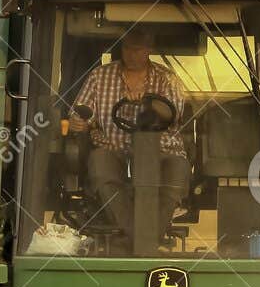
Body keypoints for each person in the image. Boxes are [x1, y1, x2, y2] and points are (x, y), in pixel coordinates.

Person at [67, 27, 188, 248]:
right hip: (114, 149)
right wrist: (79, 122)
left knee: (178, 170)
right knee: (99, 163)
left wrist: (149, 102)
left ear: (149, 49)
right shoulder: (99, 76)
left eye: (137, 49)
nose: (131, 54)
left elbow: (173, 113)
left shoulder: (167, 78)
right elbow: (81, 111)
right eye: (127, 48)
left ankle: (132, 242)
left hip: (161, 152)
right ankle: (145, 243)